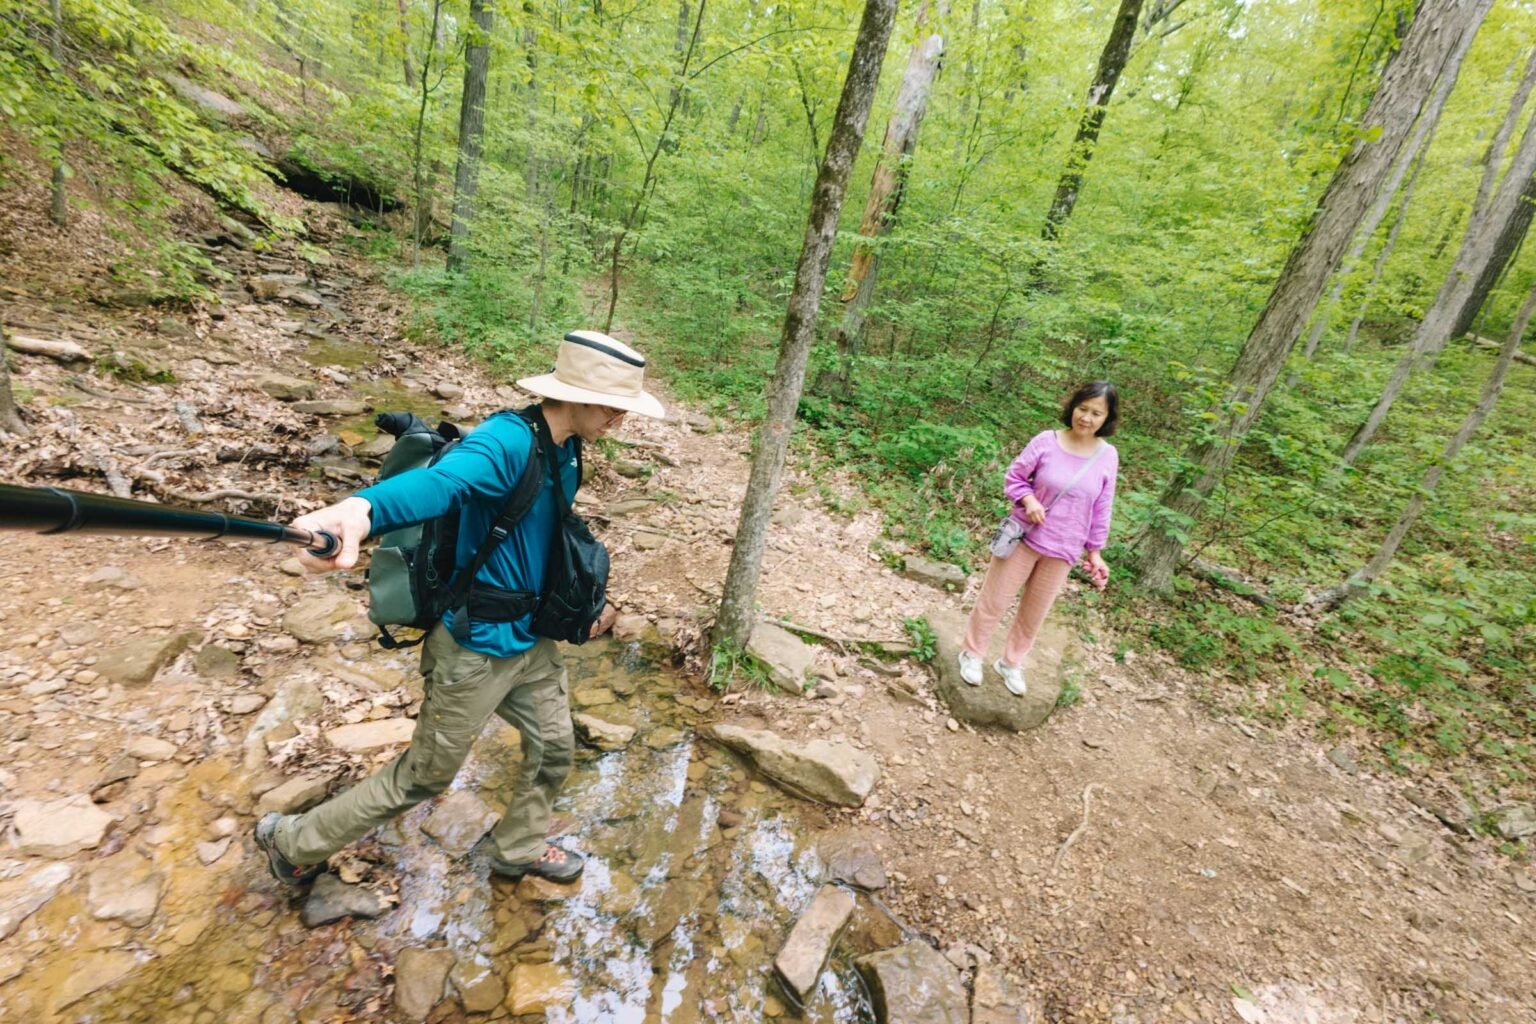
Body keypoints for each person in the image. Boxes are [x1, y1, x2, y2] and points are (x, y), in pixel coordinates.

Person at [254, 330, 665, 886]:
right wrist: (360, 510)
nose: (620, 419)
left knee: (554, 748)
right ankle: (292, 841)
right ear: (575, 395)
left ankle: (517, 848)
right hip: (473, 648)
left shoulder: (567, 449)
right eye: (614, 406)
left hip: (531, 637)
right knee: (423, 777)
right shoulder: (506, 443)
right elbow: (442, 484)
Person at [958, 381, 1120, 696]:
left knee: (1034, 613)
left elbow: (1103, 506)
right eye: (1082, 408)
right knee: (995, 601)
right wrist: (1029, 500)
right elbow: (1015, 477)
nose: (1086, 418)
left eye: (1096, 413)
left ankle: (1011, 663)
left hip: (1064, 548)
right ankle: (973, 653)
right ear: (1072, 406)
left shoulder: (1107, 456)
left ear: (1107, 418)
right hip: (1024, 537)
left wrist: (1095, 552)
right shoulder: (1046, 441)